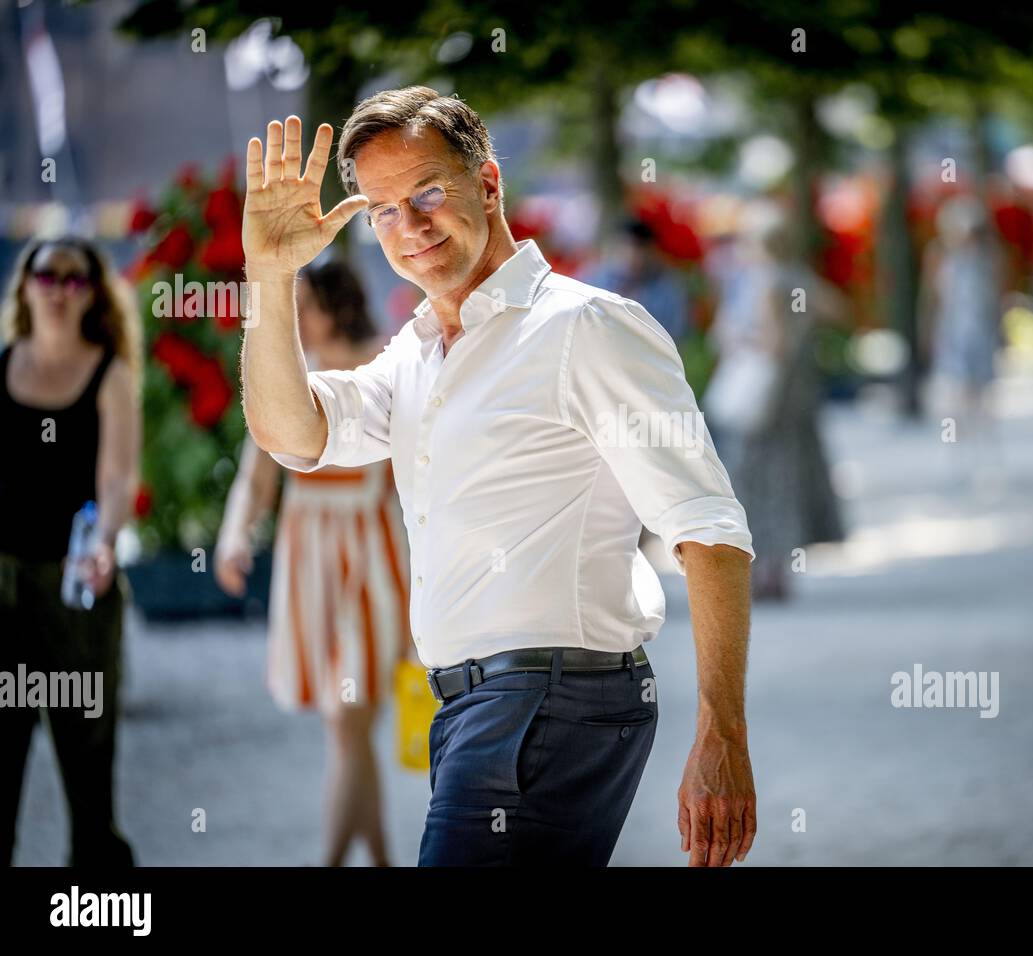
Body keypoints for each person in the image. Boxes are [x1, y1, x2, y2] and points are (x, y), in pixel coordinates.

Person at [239, 88, 757, 867]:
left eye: (429, 193)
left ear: (488, 183)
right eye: (382, 209)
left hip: (550, 701)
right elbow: (290, 431)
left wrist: (723, 733)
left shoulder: (586, 327)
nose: (408, 226)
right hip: (476, 709)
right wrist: (269, 276)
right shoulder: (418, 353)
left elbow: (709, 527)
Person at [216, 259, 409, 866]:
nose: (294, 318)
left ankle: (328, 862)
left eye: (305, 305)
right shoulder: (290, 375)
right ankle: (378, 861)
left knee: (348, 723)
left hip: (376, 561)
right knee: (347, 731)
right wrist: (232, 538)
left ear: (336, 305)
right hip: (312, 562)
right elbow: (257, 476)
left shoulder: (388, 364)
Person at [0, 236, 141, 865]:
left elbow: (116, 480)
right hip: (1, 589)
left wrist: (105, 542)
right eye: (47, 275)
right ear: (25, 286)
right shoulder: (1, 366)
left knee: (88, 780)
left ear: (94, 294)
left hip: (75, 591)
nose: (59, 289)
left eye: (75, 278)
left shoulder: (110, 373)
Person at [706, 205, 846, 601]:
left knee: (756, 477)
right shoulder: (796, 277)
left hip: (763, 398)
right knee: (792, 476)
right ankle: (781, 570)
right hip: (796, 396)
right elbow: (836, 309)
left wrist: (742, 340)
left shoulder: (760, 282)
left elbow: (774, 343)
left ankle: (763, 571)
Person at [919, 194, 1007, 479]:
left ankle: (986, 453)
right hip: (952, 335)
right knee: (953, 397)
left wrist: (1002, 331)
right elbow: (931, 299)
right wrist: (927, 331)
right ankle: (953, 455)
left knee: (982, 395)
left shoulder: (988, 258)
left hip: (980, 334)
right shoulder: (939, 257)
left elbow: (998, 298)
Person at [578, 218, 691, 342]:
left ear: (651, 251)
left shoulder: (667, 289)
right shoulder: (596, 276)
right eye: (626, 246)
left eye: (639, 248)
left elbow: (673, 334)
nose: (632, 255)